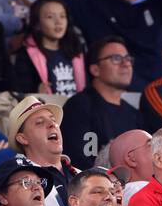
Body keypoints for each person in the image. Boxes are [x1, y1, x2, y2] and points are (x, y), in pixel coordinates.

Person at [58, 37, 141, 165]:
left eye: (128, 58)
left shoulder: (134, 113)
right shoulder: (79, 107)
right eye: (116, 58)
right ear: (95, 69)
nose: (126, 64)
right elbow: (79, 161)